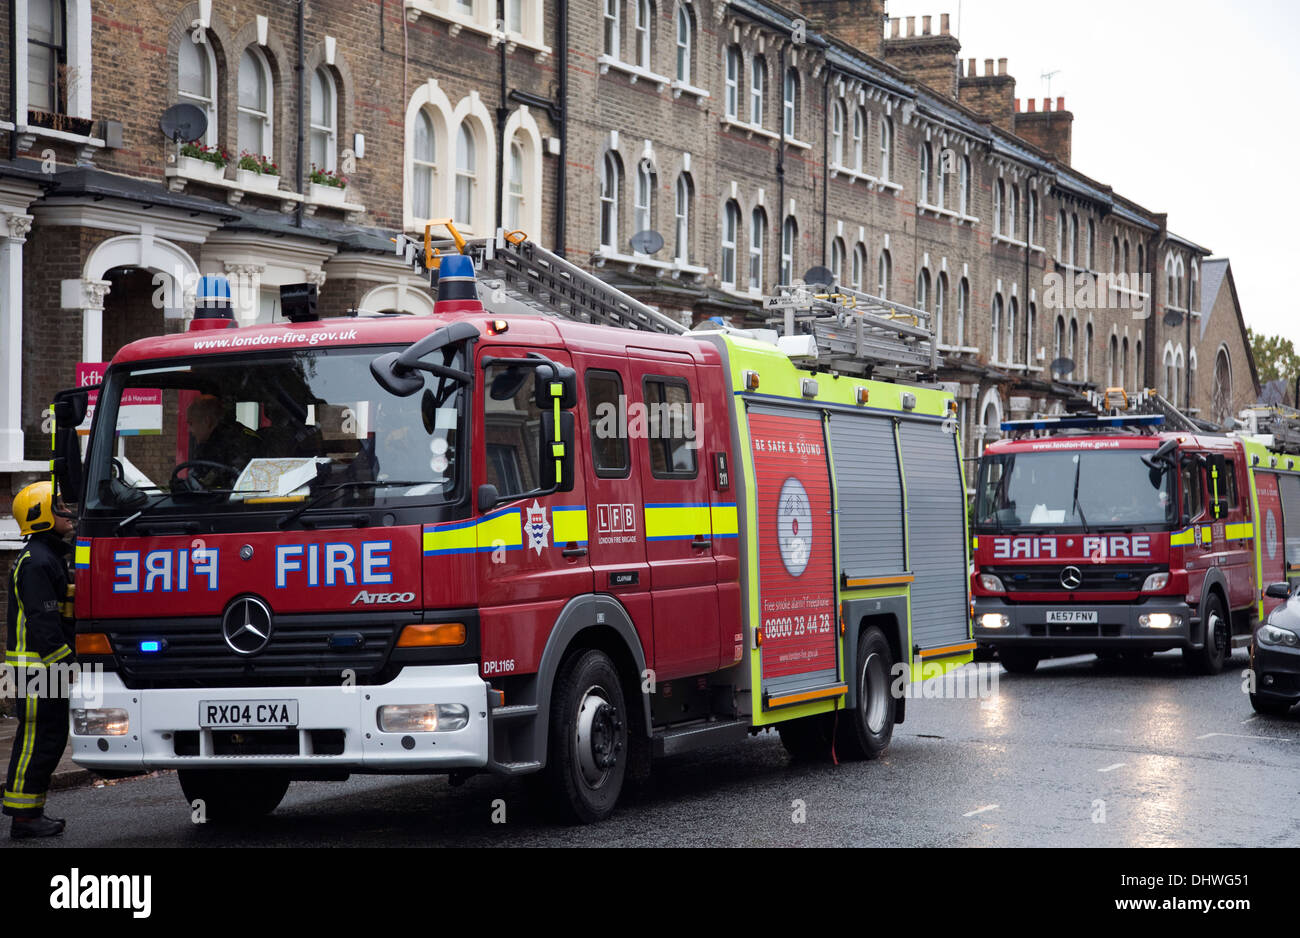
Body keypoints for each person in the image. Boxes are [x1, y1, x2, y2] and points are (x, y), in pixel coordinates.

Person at [3, 481, 76, 839]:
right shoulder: (36, 562)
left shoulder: (48, 557)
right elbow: (45, 622)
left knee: (50, 736)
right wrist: (68, 665)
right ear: (41, 514)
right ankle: (23, 817)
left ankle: (31, 811)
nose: (68, 511)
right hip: (38, 669)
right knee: (36, 738)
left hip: (44, 667)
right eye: (59, 506)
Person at [185, 394, 260, 486]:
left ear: (207, 421)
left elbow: (204, 485)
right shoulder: (231, 436)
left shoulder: (225, 446)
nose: (188, 430)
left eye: (191, 423)